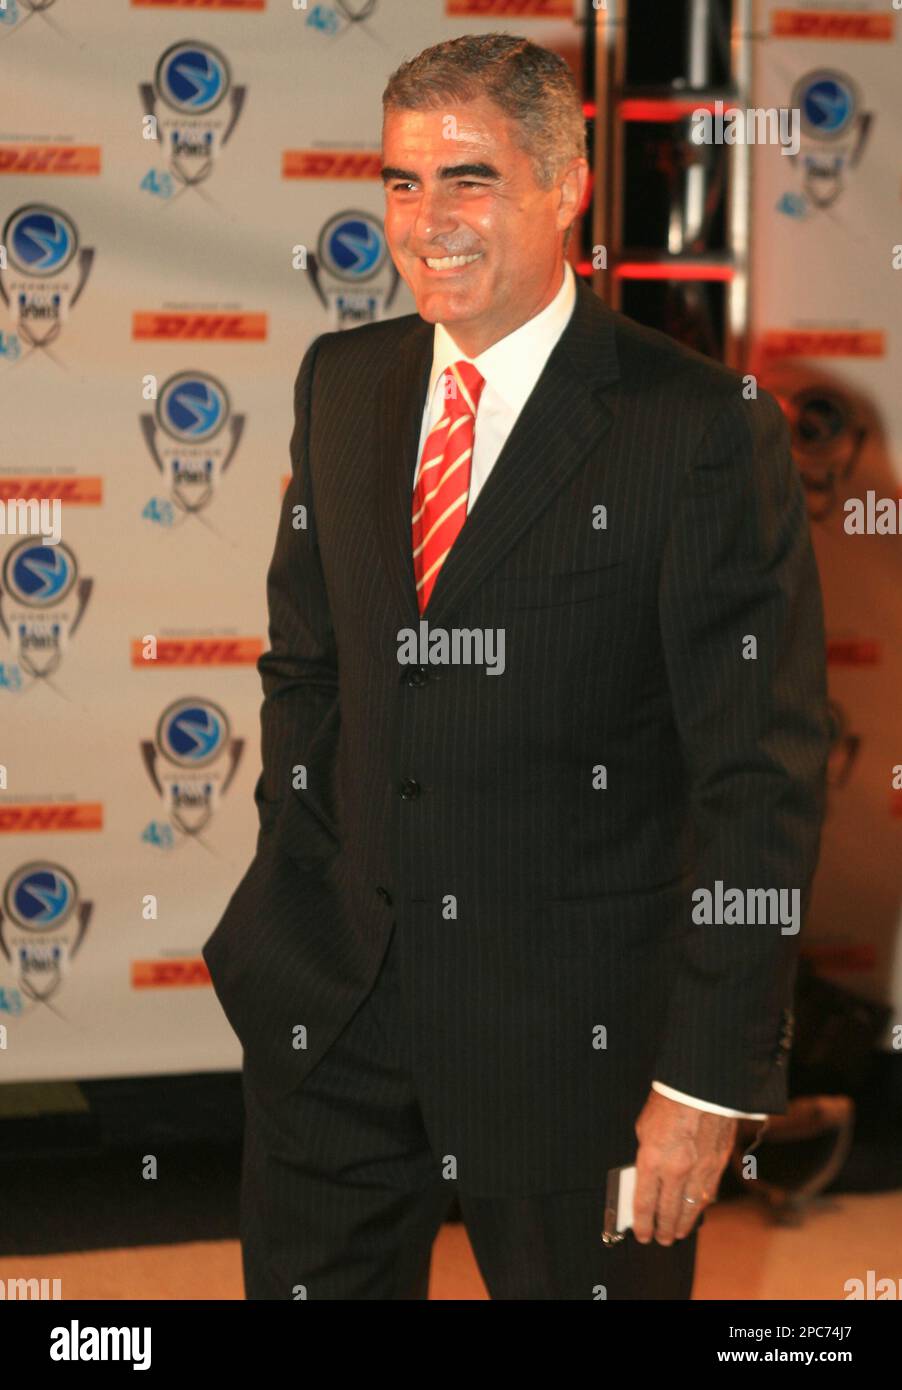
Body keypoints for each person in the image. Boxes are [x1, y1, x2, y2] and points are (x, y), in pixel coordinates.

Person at [202, 32, 830, 1300]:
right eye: (398, 182)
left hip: (579, 1049)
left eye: (468, 180)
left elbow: (756, 778)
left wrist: (705, 1077)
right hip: (337, 1010)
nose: (424, 222)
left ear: (565, 187)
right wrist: (301, 873)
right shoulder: (344, 382)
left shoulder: (695, 429)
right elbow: (306, 668)